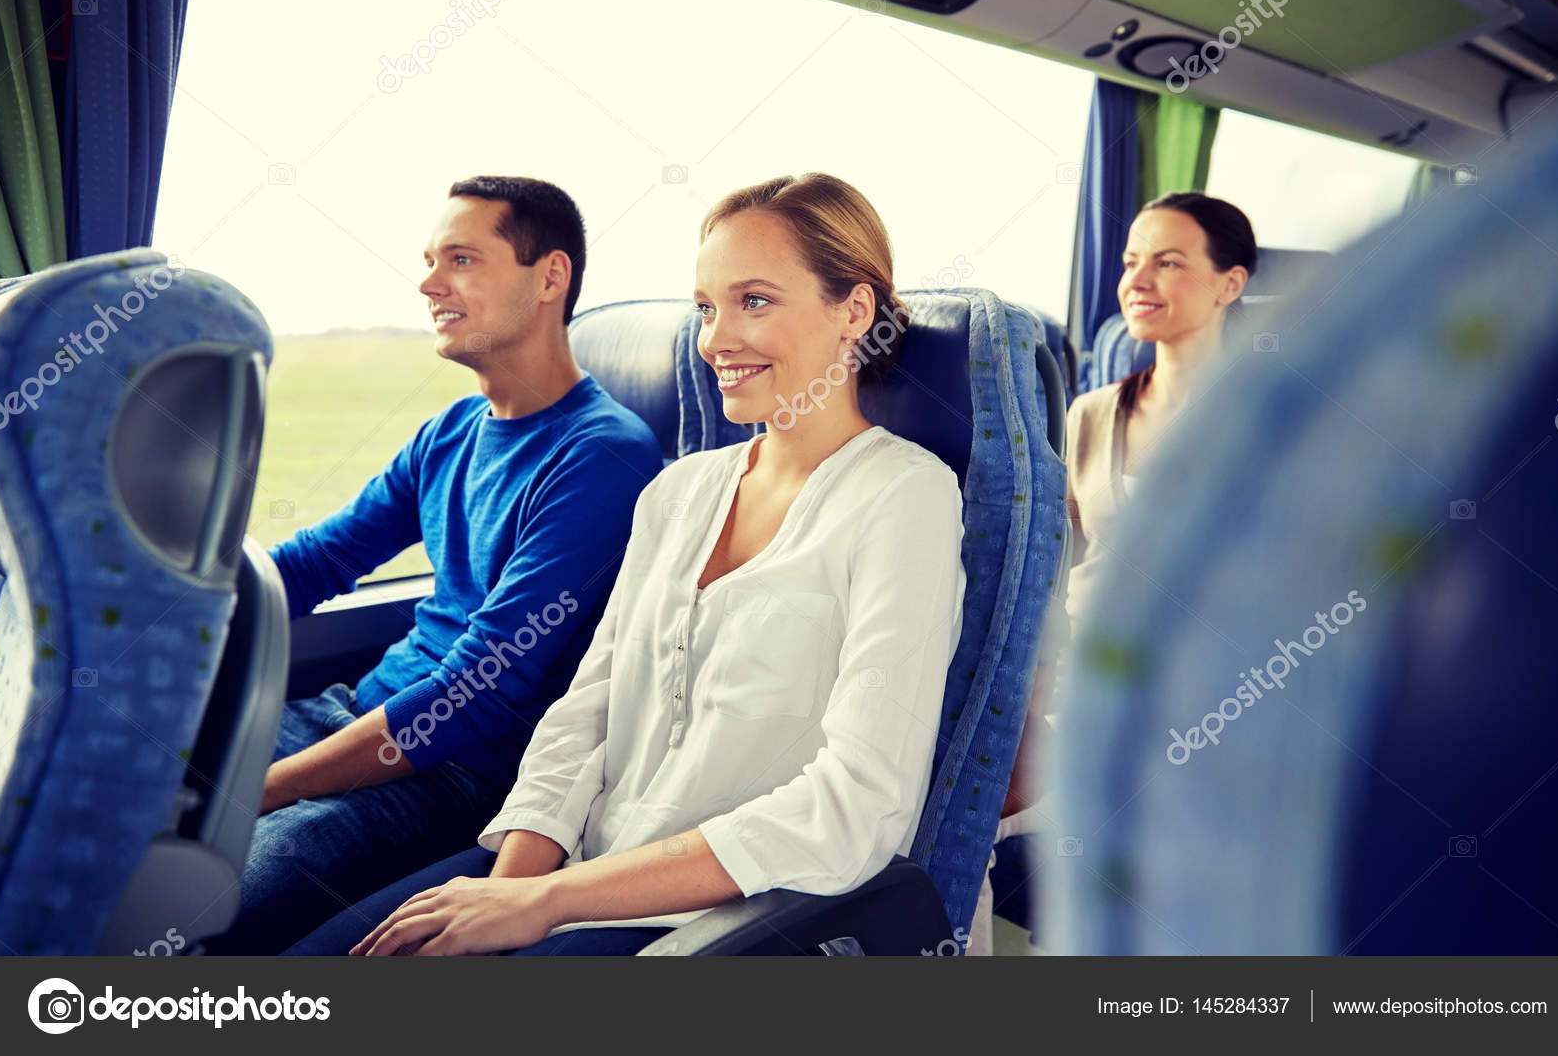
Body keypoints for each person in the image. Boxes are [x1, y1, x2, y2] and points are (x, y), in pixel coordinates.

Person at [285, 172, 967, 957]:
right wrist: (510, 892)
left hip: (717, 912)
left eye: (755, 302)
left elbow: (855, 806)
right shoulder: (678, 492)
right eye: (707, 308)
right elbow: (585, 718)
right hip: (568, 866)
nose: (716, 340)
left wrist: (548, 904)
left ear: (854, 312)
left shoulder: (904, 498)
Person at [207, 176, 663, 954]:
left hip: (458, 771)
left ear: (550, 277)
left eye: (461, 259)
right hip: (356, 713)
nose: (429, 283)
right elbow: (317, 563)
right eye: (429, 261)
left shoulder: (602, 457)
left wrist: (261, 789)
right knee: (114, 817)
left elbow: (476, 696)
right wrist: (166, 618)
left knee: (205, 907)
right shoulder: (449, 431)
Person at [970, 191, 1257, 953]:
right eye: (1132, 262)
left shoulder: (1272, 423)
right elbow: (1055, 572)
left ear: (1230, 283)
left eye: (1169, 262)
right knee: (953, 799)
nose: (1138, 280)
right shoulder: (1090, 413)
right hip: (1086, 684)